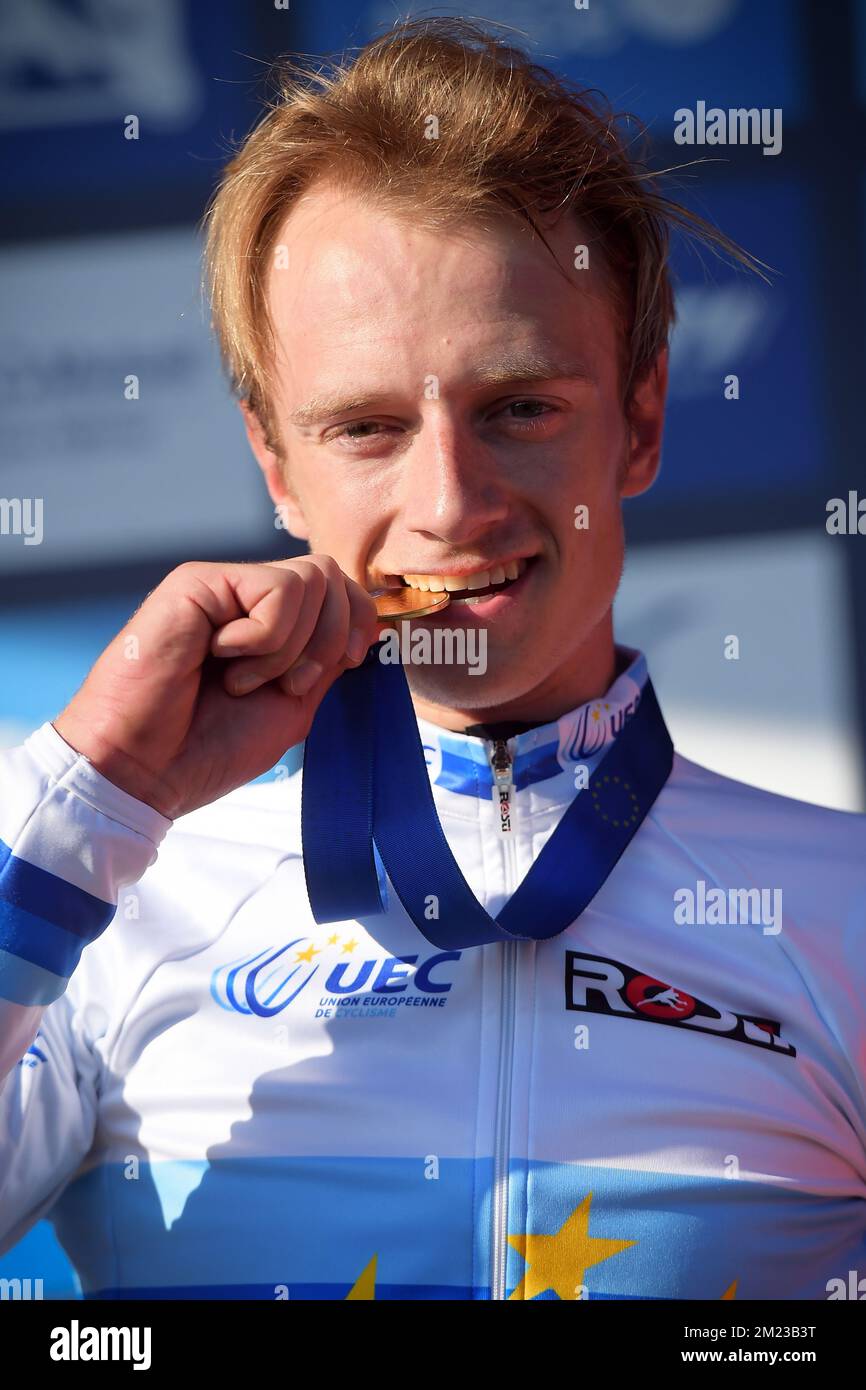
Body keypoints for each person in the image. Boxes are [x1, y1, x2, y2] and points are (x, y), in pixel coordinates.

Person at [1, 18, 863, 1302]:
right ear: (274, 465)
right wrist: (89, 794)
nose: (449, 504)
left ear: (637, 423)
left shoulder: (841, 908)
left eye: (518, 407)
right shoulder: (105, 909)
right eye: (367, 426)